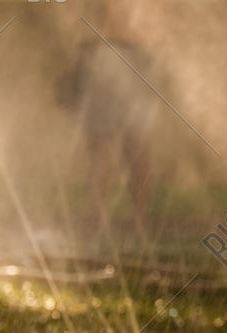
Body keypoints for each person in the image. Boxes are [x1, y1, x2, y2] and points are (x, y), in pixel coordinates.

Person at [57, 2, 160, 237]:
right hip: (111, 48)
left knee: (129, 145)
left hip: (126, 49)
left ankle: (129, 223)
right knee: (111, 145)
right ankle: (118, 222)